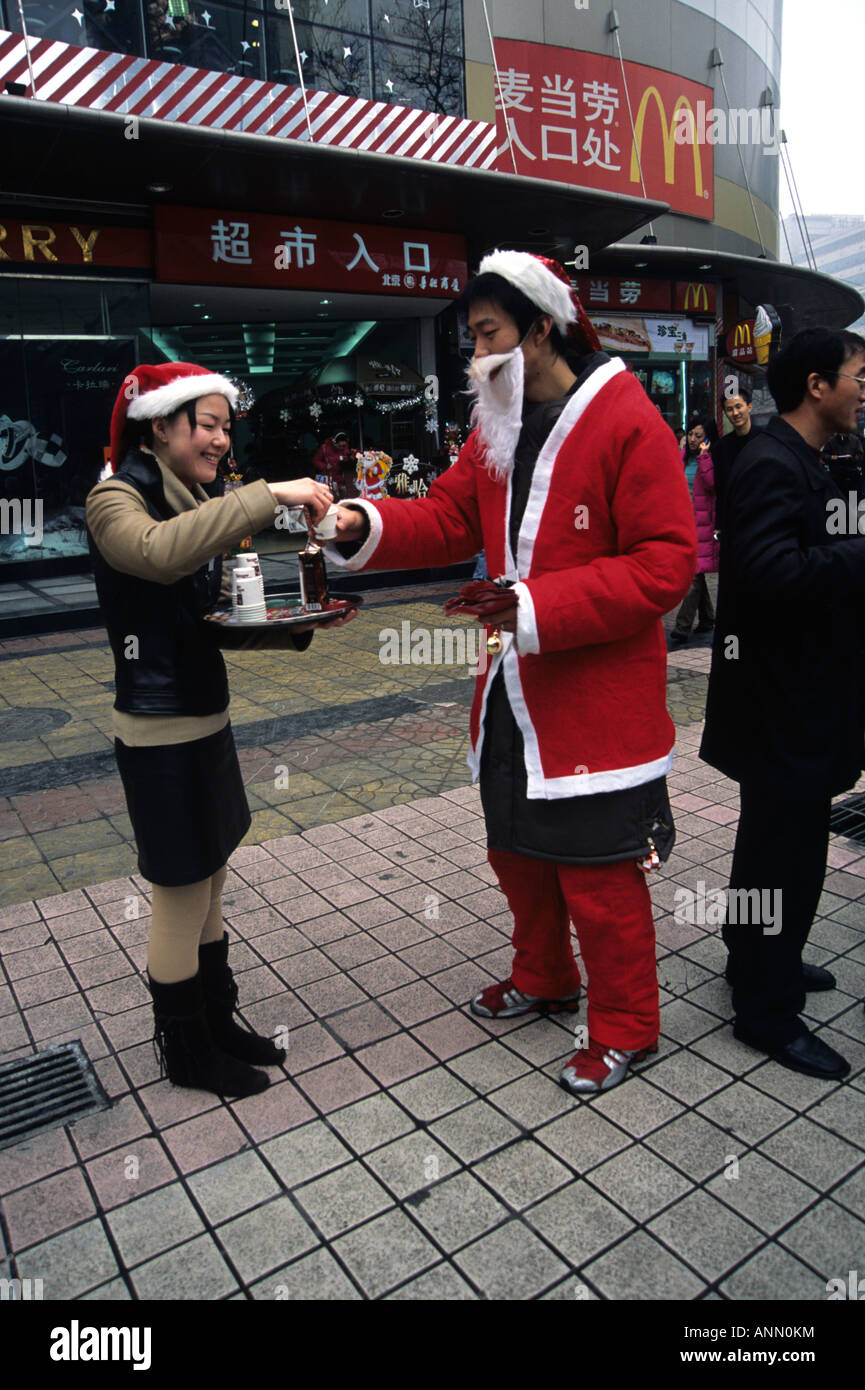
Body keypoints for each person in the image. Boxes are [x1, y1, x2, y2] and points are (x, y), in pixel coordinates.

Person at [329, 251, 696, 1095]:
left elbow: (665, 565)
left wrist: (534, 605)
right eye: (470, 339)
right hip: (511, 695)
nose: (476, 355)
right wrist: (356, 521)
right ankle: (543, 977)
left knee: (599, 874)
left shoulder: (628, 422)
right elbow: (448, 516)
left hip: (595, 705)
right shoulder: (495, 425)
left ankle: (626, 1026)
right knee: (515, 853)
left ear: (539, 328)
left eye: (489, 335)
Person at [86, 362, 352, 1100]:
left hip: (205, 717)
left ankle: (216, 1018)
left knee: (211, 880)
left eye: (225, 426)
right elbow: (158, 554)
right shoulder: (116, 498)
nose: (219, 439)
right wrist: (269, 495)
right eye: (206, 423)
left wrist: (298, 628)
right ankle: (184, 1051)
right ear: (159, 425)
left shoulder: (197, 498)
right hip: (155, 729)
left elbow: (213, 622)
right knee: (179, 888)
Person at [700, 327, 865, 1080]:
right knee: (785, 854)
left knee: (772, 844)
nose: (863, 390)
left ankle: (757, 962)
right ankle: (765, 1012)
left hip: (786, 702)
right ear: (816, 385)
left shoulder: (792, 456)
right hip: (781, 708)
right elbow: (769, 573)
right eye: (857, 375)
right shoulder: (772, 462)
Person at [670, 413, 719, 645]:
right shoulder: (683, 458)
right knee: (695, 574)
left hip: (702, 526)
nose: (692, 439)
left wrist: (704, 457)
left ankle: (682, 626)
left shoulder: (709, 459)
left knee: (693, 576)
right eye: (690, 434)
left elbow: (713, 485)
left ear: (707, 438)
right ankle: (708, 617)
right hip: (683, 523)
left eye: (698, 435)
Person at [713, 383, 763, 522]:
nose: (735, 413)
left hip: (763, 513)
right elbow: (721, 488)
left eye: (738, 406)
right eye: (729, 409)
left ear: (749, 407)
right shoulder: (721, 447)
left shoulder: (766, 439)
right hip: (735, 517)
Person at [312, 431, 353, 499]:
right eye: (340, 446)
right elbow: (315, 461)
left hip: (341, 481)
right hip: (328, 481)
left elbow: (348, 460)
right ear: (334, 442)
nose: (341, 448)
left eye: (343, 446)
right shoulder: (324, 448)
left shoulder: (345, 448)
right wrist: (324, 466)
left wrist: (347, 460)